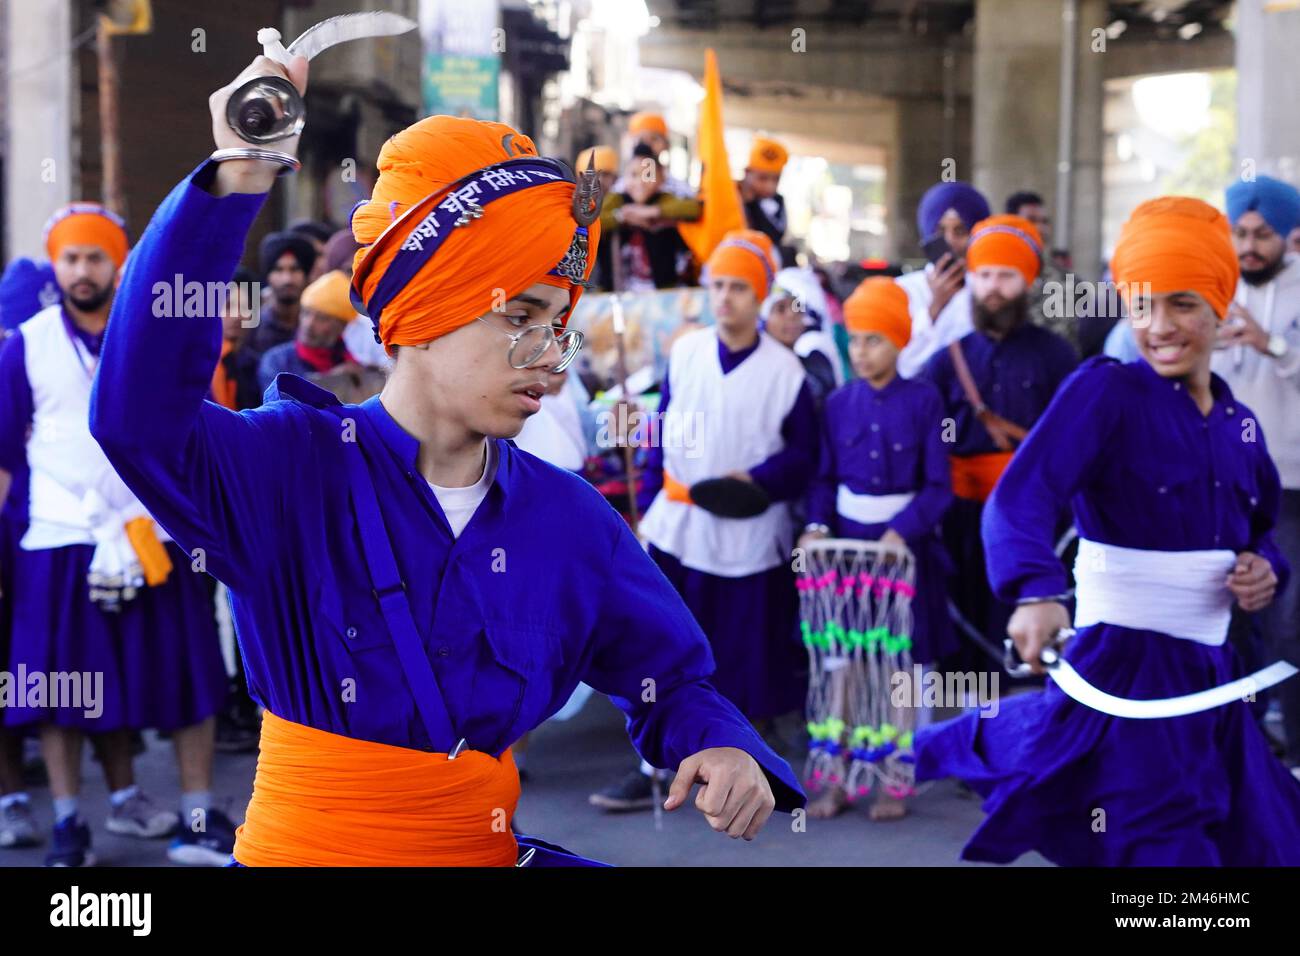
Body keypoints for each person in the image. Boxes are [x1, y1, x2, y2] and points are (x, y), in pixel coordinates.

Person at [90, 55, 803, 866]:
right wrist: (234, 178)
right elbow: (137, 417)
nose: (553, 360)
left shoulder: (572, 522)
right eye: (523, 315)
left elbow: (670, 681)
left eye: (561, 323)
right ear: (426, 310)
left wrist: (720, 746)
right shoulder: (288, 468)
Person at [915, 196, 1300, 865]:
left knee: (1265, 838)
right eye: (1141, 304)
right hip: (1127, 671)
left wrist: (1264, 567)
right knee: (1161, 843)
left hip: (1213, 677)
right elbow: (1021, 497)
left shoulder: (1240, 422)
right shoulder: (1107, 392)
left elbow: (1262, 529)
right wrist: (1035, 591)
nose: (1159, 326)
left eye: (1182, 303)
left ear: (1219, 304)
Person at [0, 202, 233, 866]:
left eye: (94, 256)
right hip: (61, 538)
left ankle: (197, 816)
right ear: (56, 265)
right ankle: (70, 824)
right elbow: (5, 456)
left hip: (154, 533)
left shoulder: (151, 333)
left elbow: (199, 425)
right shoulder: (29, 342)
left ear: (118, 262)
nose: (81, 270)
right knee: (54, 691)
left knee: (188, 680)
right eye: (70, 258)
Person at [592, 228, 816, 812]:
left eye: (738, 286)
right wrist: (642, 480)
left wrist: (759, 483)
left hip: (747, 536)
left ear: (761, 295)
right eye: (717, 284)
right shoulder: (686, 351)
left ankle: (734, 775)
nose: (724, 297)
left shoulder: (786, 372)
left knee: (738, 658)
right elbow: (662, 429)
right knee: (662, 653)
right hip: (678, 528)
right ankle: (652, 768)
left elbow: (803, 456)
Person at [799, 277, 956, 822]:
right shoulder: (838, 402)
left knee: (899, 668)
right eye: (856, 340)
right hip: (847, 557)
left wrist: (900, 531)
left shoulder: (925, 400)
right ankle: (838, 779)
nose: (862, 352)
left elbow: (940, 488)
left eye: (875, 340)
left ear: (900, 341)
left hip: (902, 558)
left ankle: (896, 778)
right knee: (844, 666)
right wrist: (817, 526)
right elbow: (822, 480)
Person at [919, 214, 1077, 660]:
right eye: (984, 275)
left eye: (1006, 276)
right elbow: (925, 436)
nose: (992, 287)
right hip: (960, 516)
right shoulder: (949, 359)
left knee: (1024, 619)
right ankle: (969, 718)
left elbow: (1071, 442)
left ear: (1026, 283)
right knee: (962, 620)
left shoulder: (1057, 355)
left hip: (1033, 515)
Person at [1212, 174, 1300, 775]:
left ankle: (1296, 757)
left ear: (1290, 234)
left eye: (1261, 234)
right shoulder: (1213, 289)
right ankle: (1239, 755)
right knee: (1228, 621)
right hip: (1222, 480)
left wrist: (1274, 345)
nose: (1249, 246)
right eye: (1239, 233)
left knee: (1288, 621)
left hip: (1291, 484)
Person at [895, 181, 990, 378]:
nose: (950, 241)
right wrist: (935, 307)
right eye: (940, 231)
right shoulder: (903, 289)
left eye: (960, 231)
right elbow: (901, 367)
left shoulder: (991, 287)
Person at [600, 145, 700, 293]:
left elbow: (694, 209)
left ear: (661, 177)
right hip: (621, 293)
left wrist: (651, 211)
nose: (640, 182)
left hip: (665, 292)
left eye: (648, 175)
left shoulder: (664, 199)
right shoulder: (618, 200)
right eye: (633, 175)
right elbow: (594, 219)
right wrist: (621, 216)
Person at [257, 269, 358, 392]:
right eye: (306, 313)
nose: (308, 324)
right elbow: (283, 405)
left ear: (341, 326)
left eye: (321, 318)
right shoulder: (277, 361)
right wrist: (331, 380)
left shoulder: (352, 366)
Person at [761, 266, 844, 407]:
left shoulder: (814, 354)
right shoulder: (756, 363)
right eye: (780, 309)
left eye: (797, 308)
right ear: (765, 318)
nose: (792, 315)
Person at [1005, 190, 1075, 350]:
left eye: (1045, 222)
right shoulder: (995, 276)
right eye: (1032, 220)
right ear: (1011, 223)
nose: (1040, 228)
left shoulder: (1066, 279)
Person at [245, 230, 316, 365]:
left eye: (294, 269)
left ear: (307, 275)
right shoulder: (251, 329)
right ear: (268, 276)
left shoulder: (317, 325)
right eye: (278, 270)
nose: (287, 279)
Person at [739, 137, 795, 266]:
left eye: (776, 179)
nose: (770, 186)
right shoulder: (733, 194)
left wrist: (752, 204)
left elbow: (774, 236)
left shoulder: (777, 201)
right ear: (747, 173)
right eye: (762, 178)